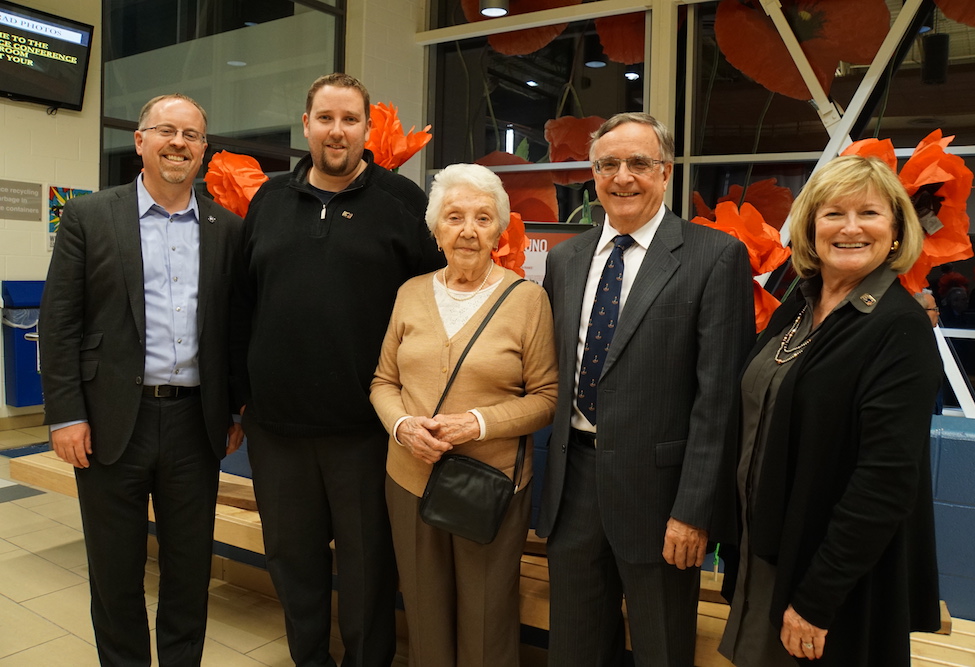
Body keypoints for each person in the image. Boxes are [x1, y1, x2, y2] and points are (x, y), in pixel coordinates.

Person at [234, 73, 442, 667]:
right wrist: (241, 401)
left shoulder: (403, 202)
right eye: (325, 118)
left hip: (366, 434)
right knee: (293, 568)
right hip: (277, 433)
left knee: (368, 573)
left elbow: (431, 308)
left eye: (350, 119)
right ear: (306, 125)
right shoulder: (268, 201)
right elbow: (242, 304)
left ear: (367, 128)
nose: (336, 130)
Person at [537, 112, 755, 666]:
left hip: (662, 499)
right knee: (574, 648)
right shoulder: (566, 260)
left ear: (665, 171)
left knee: (662, 648)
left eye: (638, 162)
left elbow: (719, 402)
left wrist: (693, 511)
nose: (622, 176)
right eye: (608, 164)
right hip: (574, 485)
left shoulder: (714, 257)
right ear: (593, 173)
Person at [39, 93, 245, 666]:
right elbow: (60, 322)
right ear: (141, 140)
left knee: (188, 573)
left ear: (204, 149)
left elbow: (233, 328)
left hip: (194, 424)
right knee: (114, 572)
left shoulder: (226, 229)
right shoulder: (89, 217)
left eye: (192, 135)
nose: (178, 143)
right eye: (166, 131)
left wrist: (234, 410)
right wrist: (65, 413)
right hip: (107, 425)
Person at [718, 154, 942, 666]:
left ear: (896, 230)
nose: (850, 228)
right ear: (811, 227)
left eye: (869, 214)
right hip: (768, 557)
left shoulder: (898, 329)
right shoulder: (800, 306)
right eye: (833, 213)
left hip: (830, 581)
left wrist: (816, 599)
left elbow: (883, 484)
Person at [370, 163, 558, 666]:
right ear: (436, 230)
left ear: (500, 228)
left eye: (482, 217)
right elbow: (383, 382)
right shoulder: (409, 293)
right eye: (454, 217)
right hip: (409, 478)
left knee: (485, 620)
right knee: (425, 618)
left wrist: (477, 423)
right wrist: (404, 426)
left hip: (490, 484)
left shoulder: (527, 300)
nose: (468, 231)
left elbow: (545, 398)